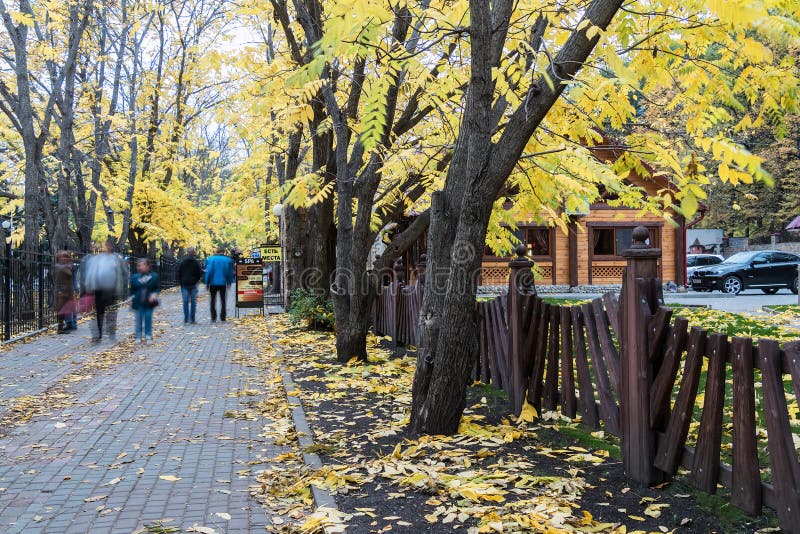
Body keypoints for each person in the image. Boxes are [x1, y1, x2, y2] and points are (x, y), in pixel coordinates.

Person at [83, 240, 129, 342]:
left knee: (112, 311)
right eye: (104, 245)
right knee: (99, 312)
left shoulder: (117, 258)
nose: (106, 247)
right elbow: (91, 273)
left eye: (108, 245)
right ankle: (99, 334)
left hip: (112, 289)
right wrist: (88, 286)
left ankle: (111, 333)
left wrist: (123, 288)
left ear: (111, 247)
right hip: (99, 289)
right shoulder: (97, 259)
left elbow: (125, 273)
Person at [130, 258, 160, 343]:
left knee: (148, 318)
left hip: (149, 303)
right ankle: (138, 336)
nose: (140, 267)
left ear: (148, 266)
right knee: (138, 320)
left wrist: (154, 295)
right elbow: (132, 290)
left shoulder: (154, 276)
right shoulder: (135, 277)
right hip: (138, 303)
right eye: (138, 265)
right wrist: (131, 297)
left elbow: (156, 288)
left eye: (142, 265)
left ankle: (148, 336)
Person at [204, 247, 234, 322]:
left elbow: (209, 271)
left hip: (213, 283)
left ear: (216, 251)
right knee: (223, 300)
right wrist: (229, 282)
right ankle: (223, 317)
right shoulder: (228, 260)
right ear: (223, 252)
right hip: (223, 283)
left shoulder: (210, 259)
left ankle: (213, 317)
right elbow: (229, 272)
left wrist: (207, 282)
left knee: (212, 300)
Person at [177, 248, 203, 324]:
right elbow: (199, 273)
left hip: (184, 284)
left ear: (187, 252)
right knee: (193, 302)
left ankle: (186, 318)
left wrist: (180, 282)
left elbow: (178, 272)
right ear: (194, 253)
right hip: (193, 284)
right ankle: (192, 319)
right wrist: (196, 280)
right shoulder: (196, 262)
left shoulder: (182, 261)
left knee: (185, 302)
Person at [53, 251, 75, 334]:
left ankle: (65, 326)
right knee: (61, 310)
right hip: (62, 292)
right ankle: (60, 328)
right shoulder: (60, 267)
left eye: (66, 257)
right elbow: (69, 274)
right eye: (63, 257)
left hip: (66, 291)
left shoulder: (63, 266)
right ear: (59, 258)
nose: (65, 259)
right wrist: (60, 291)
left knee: (64, 310)